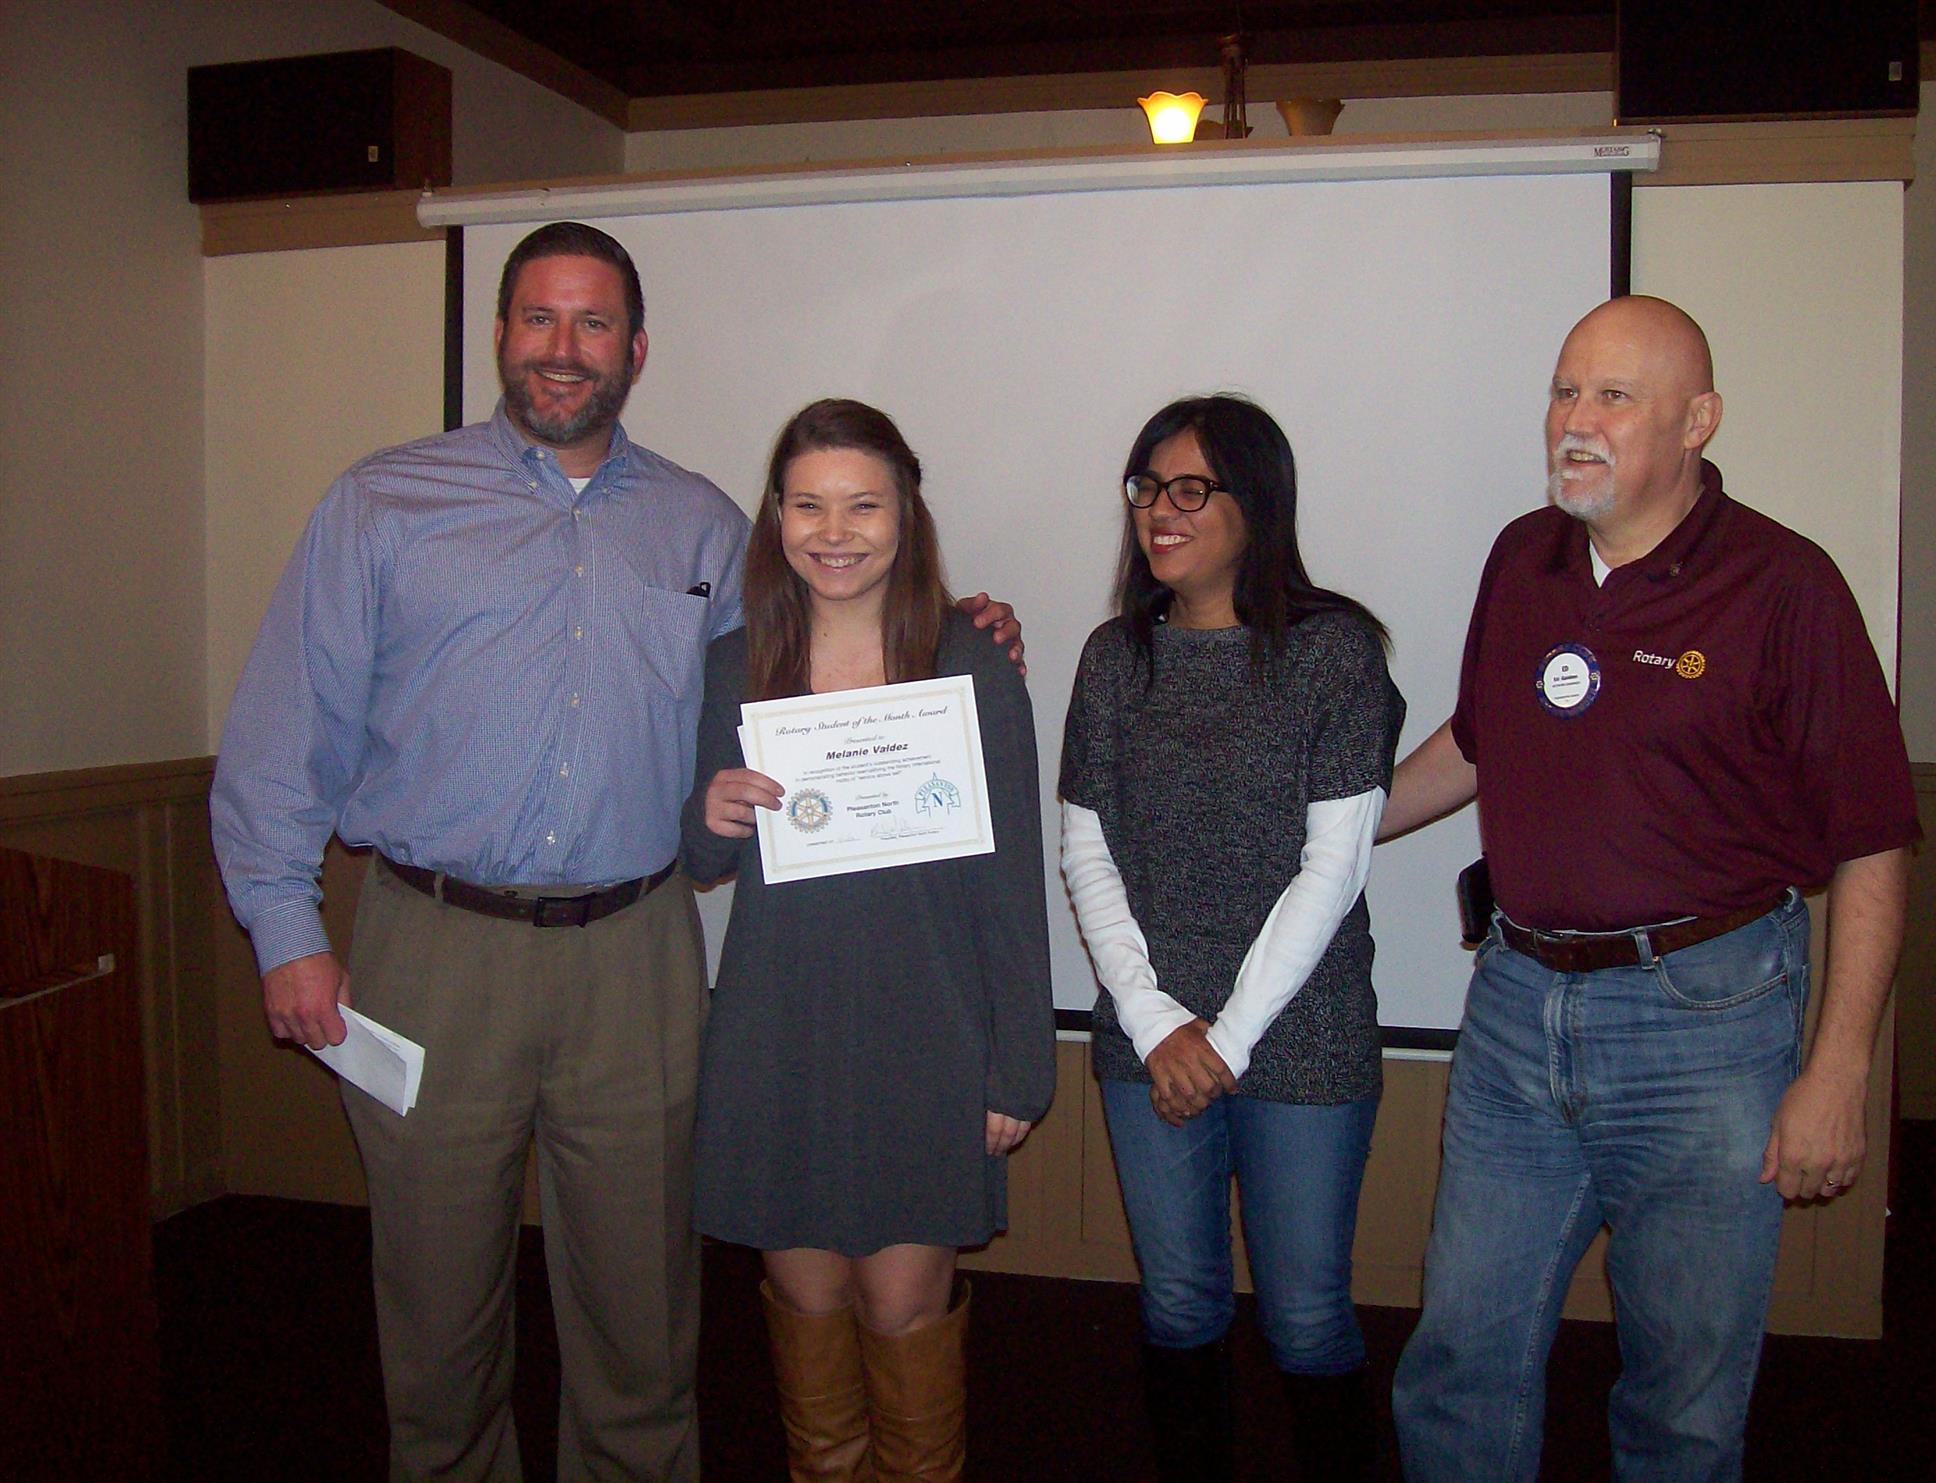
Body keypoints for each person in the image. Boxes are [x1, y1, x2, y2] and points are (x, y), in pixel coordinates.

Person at [210, 223, 1020, 1482]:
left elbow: (824, 630)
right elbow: (280, 732)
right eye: (540, 317)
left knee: (643, 1316)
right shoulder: (383, 505)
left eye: (594, 324)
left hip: (637, 955)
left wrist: (951, 630)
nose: (564, 347)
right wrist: (285, 930)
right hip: (431, 948)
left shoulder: (702, 528)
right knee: (436, 1306)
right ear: (500, 334)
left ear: (635, 350)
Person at [1385, 295, 1918, 1481]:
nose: (1575, 420)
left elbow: (1876, 841)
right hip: (1516, 1009)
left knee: (1683, 1396)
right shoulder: (1522, 558)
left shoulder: (1784, 584)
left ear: (1698, 420)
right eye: (1565, 391)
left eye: (1614, 397)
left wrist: (1838, 1071)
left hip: (1708, 1025)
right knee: (1459, 1359)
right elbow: (1479, 741)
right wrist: (1341, 827)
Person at [681, 398, 1055, 1483]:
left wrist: (1019, 1065)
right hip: (777, 1032)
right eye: (808, 505)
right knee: (805, 1307)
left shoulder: (970, 663)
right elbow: (699, 858)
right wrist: (709, 814)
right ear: (776, 516)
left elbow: (1012, 880)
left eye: (863, 505)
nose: (834, 532)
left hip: (925, 1038)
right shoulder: (734, 663)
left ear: (906, 515)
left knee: (902, 1310)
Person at [1058, 395, 1405, 1481]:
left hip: (1303, 1033)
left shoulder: (1335, 652)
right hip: (1148, 1038)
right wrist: (1158, 1023)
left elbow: (1332, 870)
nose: (1161, 511)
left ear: (1258, 502)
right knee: (1178, 1302)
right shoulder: (1115, 659)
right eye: (1147, 487)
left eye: (1191, 488)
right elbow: (1088, 855)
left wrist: (1226, 1038)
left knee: (1305, 1315)